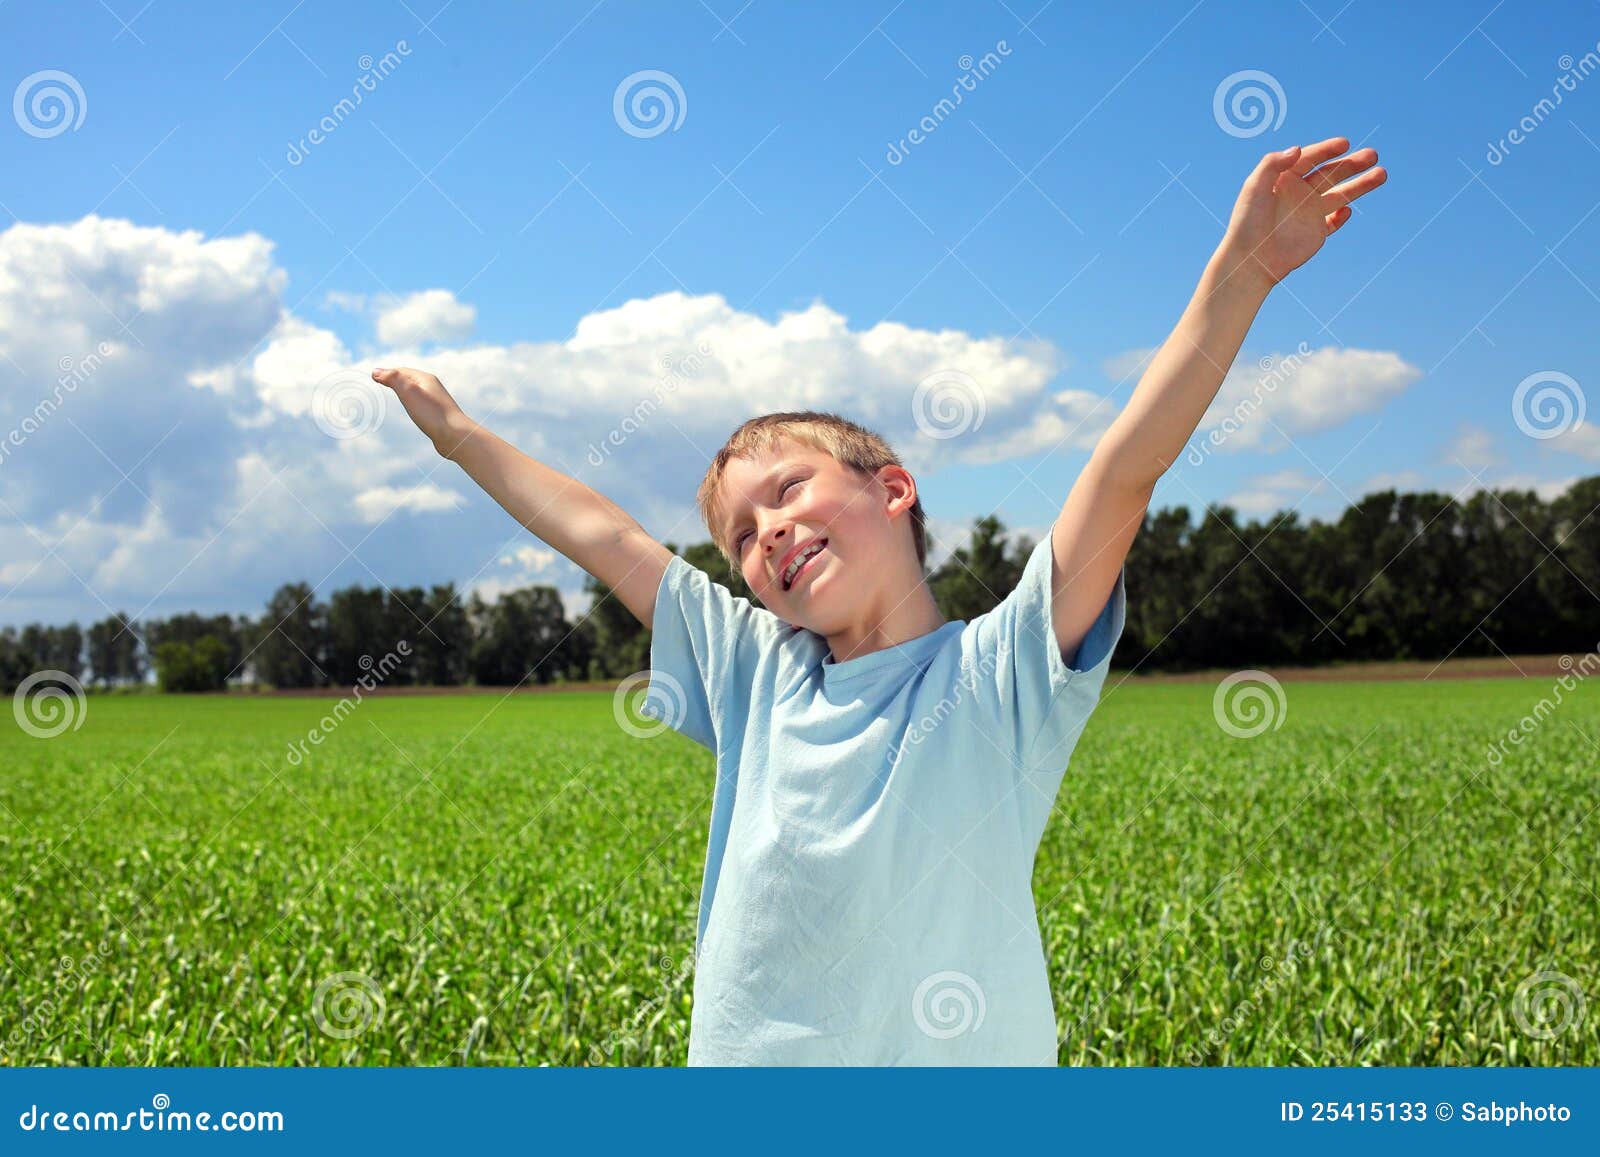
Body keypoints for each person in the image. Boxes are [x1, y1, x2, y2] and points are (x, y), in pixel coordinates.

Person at [371, 138, 1387, 1064]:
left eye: (787, 491)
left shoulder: (1000, 677)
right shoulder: (751, 668)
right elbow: (604, 534)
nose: (763, 530)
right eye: (738, 534)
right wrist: (459, 436)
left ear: (891, 488)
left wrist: (1242, 274)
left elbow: (1122, 471)